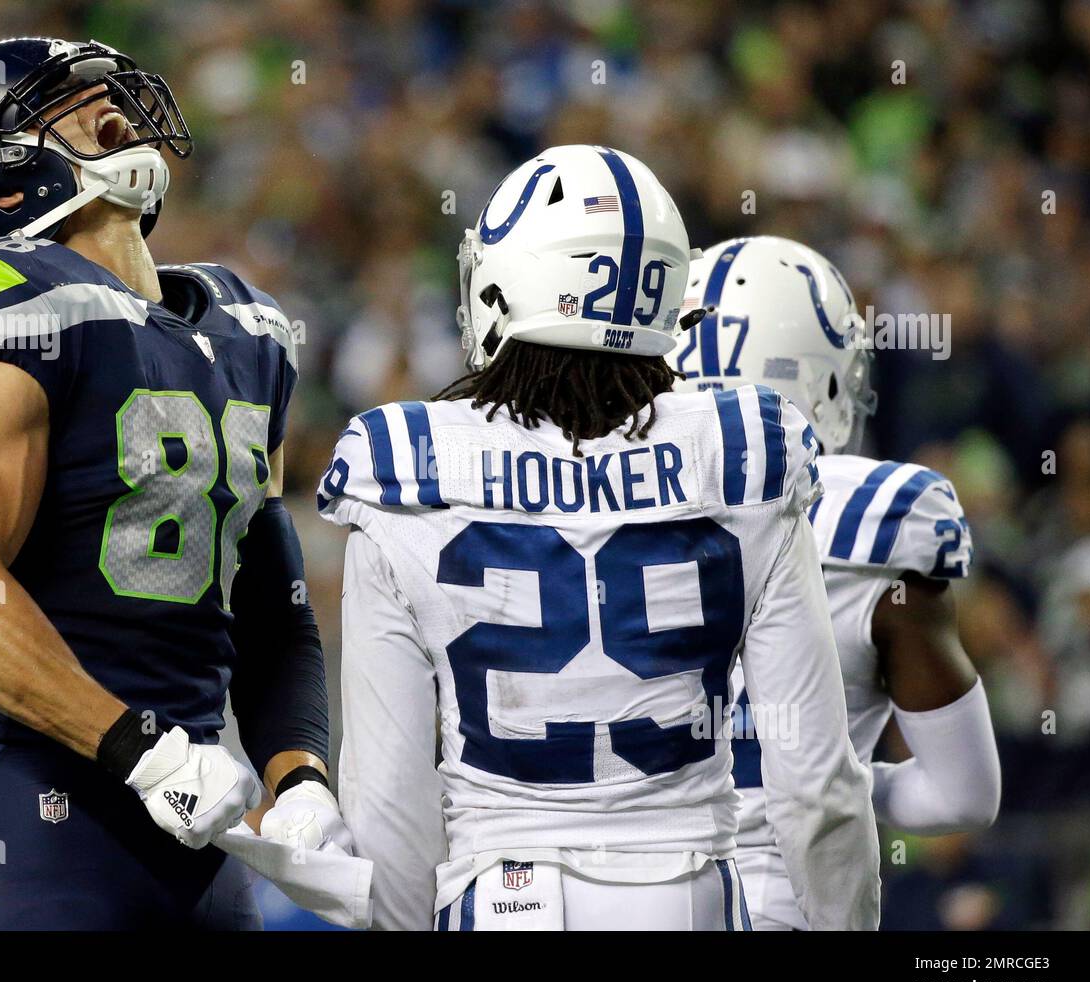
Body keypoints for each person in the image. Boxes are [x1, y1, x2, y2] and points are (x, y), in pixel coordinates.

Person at [317, 146, 879, 930]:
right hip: (694, 899)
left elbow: (390, 804)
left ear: (501, 285)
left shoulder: (406, 464)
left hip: (503, 897)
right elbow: (817, 787)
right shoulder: (745, 450)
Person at [0, 37, 347, 931]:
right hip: (30, 797)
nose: (111, 103)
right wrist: (141, 751)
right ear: (0, 167)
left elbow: (272, 605)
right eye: (62, 100)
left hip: (195, 821)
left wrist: (297, 774)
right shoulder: (11, 305)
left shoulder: (244, 329)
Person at [673, 235, 1000, 930]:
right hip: (778, 903)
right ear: (815, 372)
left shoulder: (579, 496)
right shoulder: (878, 519)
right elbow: (965, 794)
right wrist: (850, 780)